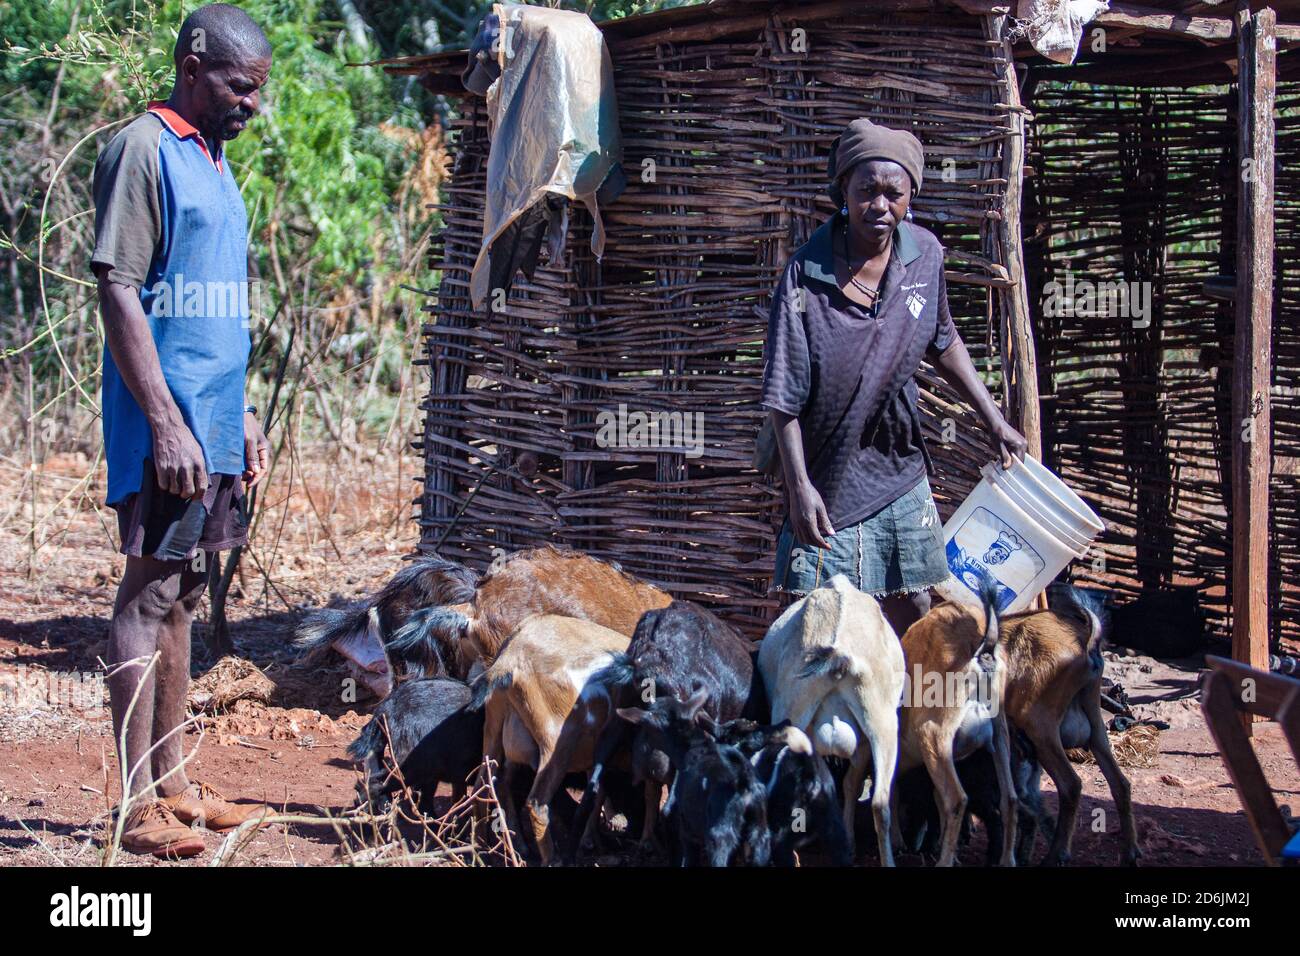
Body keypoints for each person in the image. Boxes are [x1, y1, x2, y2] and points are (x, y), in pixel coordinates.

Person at [91, 3, 273, 858]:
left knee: (187, 596)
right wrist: (166, 421)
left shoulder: (216, 163)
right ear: (193, 64)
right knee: (148, 594)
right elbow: (119, 286)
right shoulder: (144, 149)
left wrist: (239, 418)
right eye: (242, 86)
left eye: (259, 90)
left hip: (215, 426)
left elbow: (219, 307)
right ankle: (134, 811)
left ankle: (174, 787)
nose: (253, 105)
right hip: (167, 425)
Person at [762, 118, 1028, 637]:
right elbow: (783, 397)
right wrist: (799, 488)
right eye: (866, 192)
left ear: (911, 196)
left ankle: (912, 711)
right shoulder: (805, 274)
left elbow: (944, 339)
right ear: (843, 190)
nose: (880, 206)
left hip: (897, 461)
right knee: (813, 617)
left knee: (915, 606)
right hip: (826, 471)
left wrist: (993, 419)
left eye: (894, 194)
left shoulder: (924, 255)